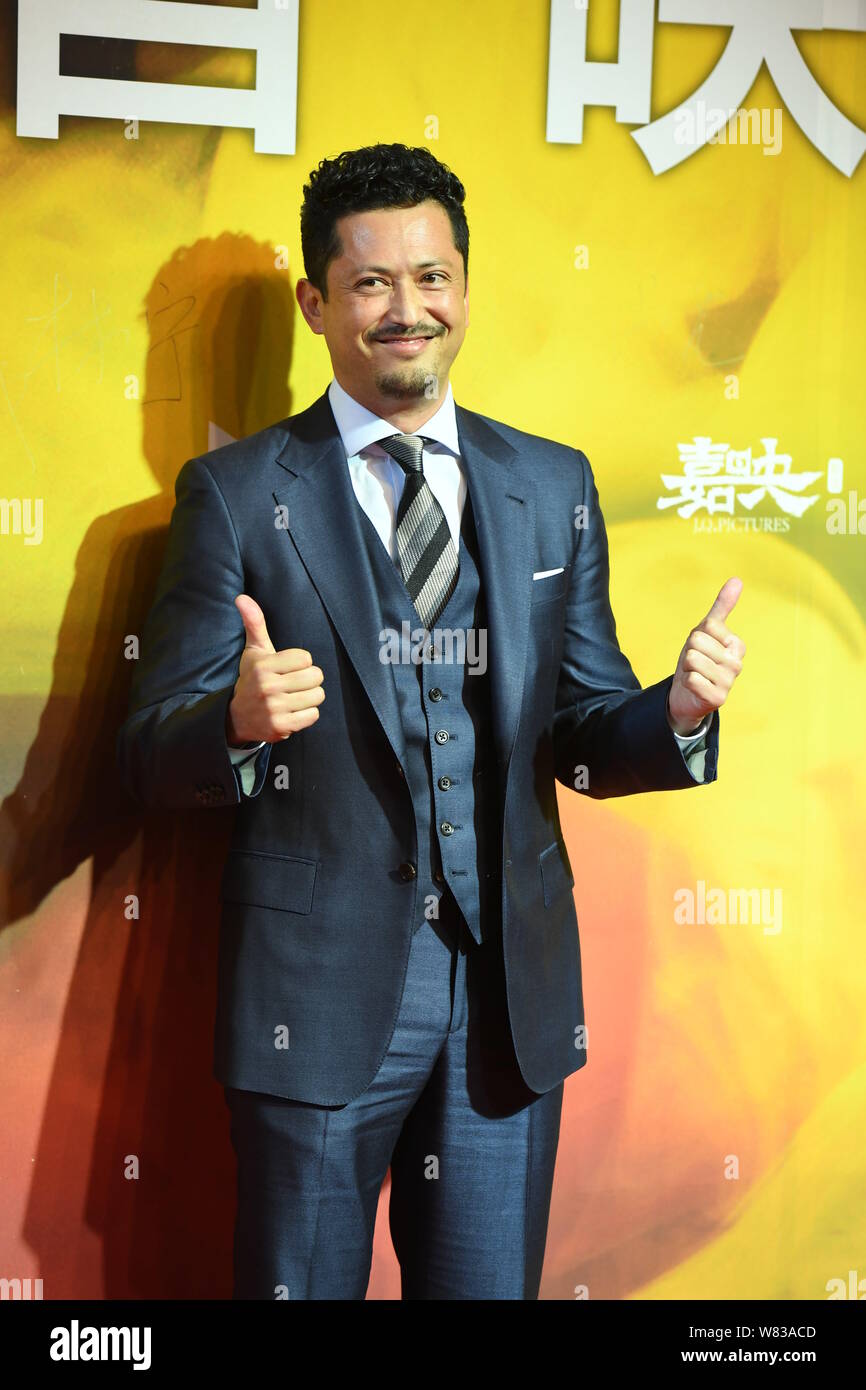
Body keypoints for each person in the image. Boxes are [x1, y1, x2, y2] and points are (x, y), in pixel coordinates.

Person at [116, 142, 744, 1300]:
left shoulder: (548, 484)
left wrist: (677, 712)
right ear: (317, 303)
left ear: (465, 284)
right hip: (315, 995)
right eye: (370, 284)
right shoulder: (240, 494)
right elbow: (151, 747)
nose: (408, 311)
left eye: (433, 278)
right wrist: (236, 725)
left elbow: (583, 730)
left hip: (506, 1003)